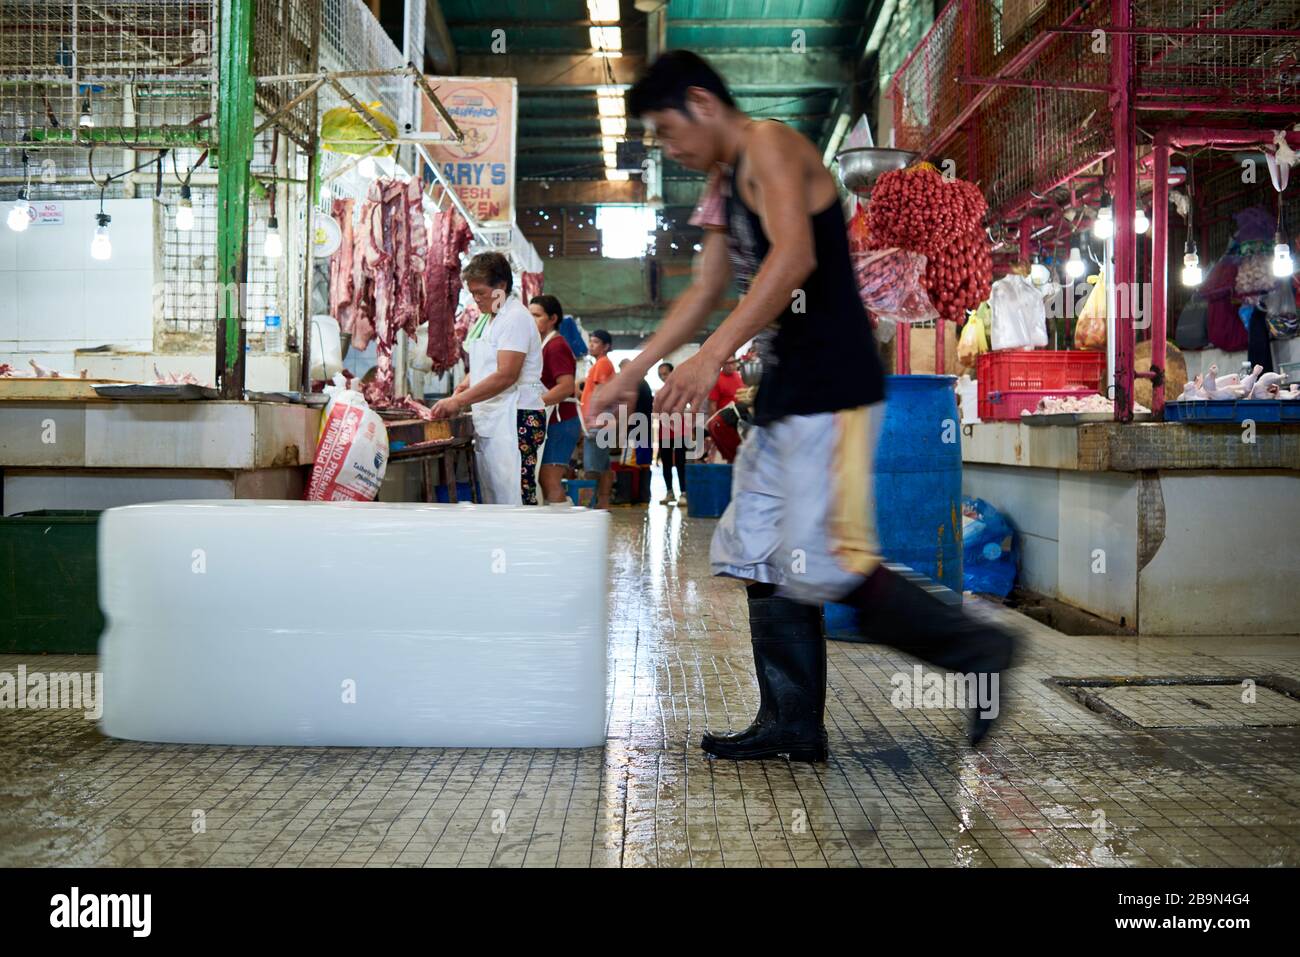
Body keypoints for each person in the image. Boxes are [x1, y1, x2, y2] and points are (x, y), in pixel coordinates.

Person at [592, 50, 1016, 762]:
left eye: (667, 130)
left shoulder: (772, 145)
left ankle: (980, 647)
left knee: (830, 559)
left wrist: (711, 355)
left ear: (701, 102)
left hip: (834, 378)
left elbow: (793, 257)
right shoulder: (725, 183)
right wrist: (631, 370)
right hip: (789, 385)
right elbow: (704, 290)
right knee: (759, 548)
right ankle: (792, 720)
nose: (670, 148)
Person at [432, 252, 545, 505]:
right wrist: (468, 381)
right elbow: (492, 361)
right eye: (472, 293)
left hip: (516, 416)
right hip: (496, 418)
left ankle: (520, 544)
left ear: (501, 287)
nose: (476, 299)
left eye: (481, 292)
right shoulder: (491, 318)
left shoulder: (514, 318)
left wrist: (458, 401)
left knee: (515, 495)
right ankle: (501, 544)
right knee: (496, 493)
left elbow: (506, 374)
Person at [528, 294, 581, 504]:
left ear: (553, 319)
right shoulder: (543, 345)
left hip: (561, 422)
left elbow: (566, 386)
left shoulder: (556, 345)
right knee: (544, 479)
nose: (532, 321)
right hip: (553, 420)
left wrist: (534, 405)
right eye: (529, 315)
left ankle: (563, 530)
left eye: (537, 316)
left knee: (549, 480)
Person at [579, 329, 617, 509]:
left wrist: (592, 420)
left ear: (606, 346)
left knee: (592, 469)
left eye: (595, 342)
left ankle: (592, 504)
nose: (591, 345)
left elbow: (601, 392)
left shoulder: (603, 364)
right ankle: (602, 503)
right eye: (591, 341)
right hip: (602, 422)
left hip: (597, 424)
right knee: (603, 466)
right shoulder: (601, 364)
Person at [656, 361, 687, 505]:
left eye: (665, 374)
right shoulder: (659, 393)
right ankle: (670, 492)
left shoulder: (680, 390)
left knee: (680, 462)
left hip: (680, 432)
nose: (663, 377)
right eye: (660, 375)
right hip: (665, 433)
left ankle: (684, 493)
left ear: (672, 373)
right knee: (666, 463)